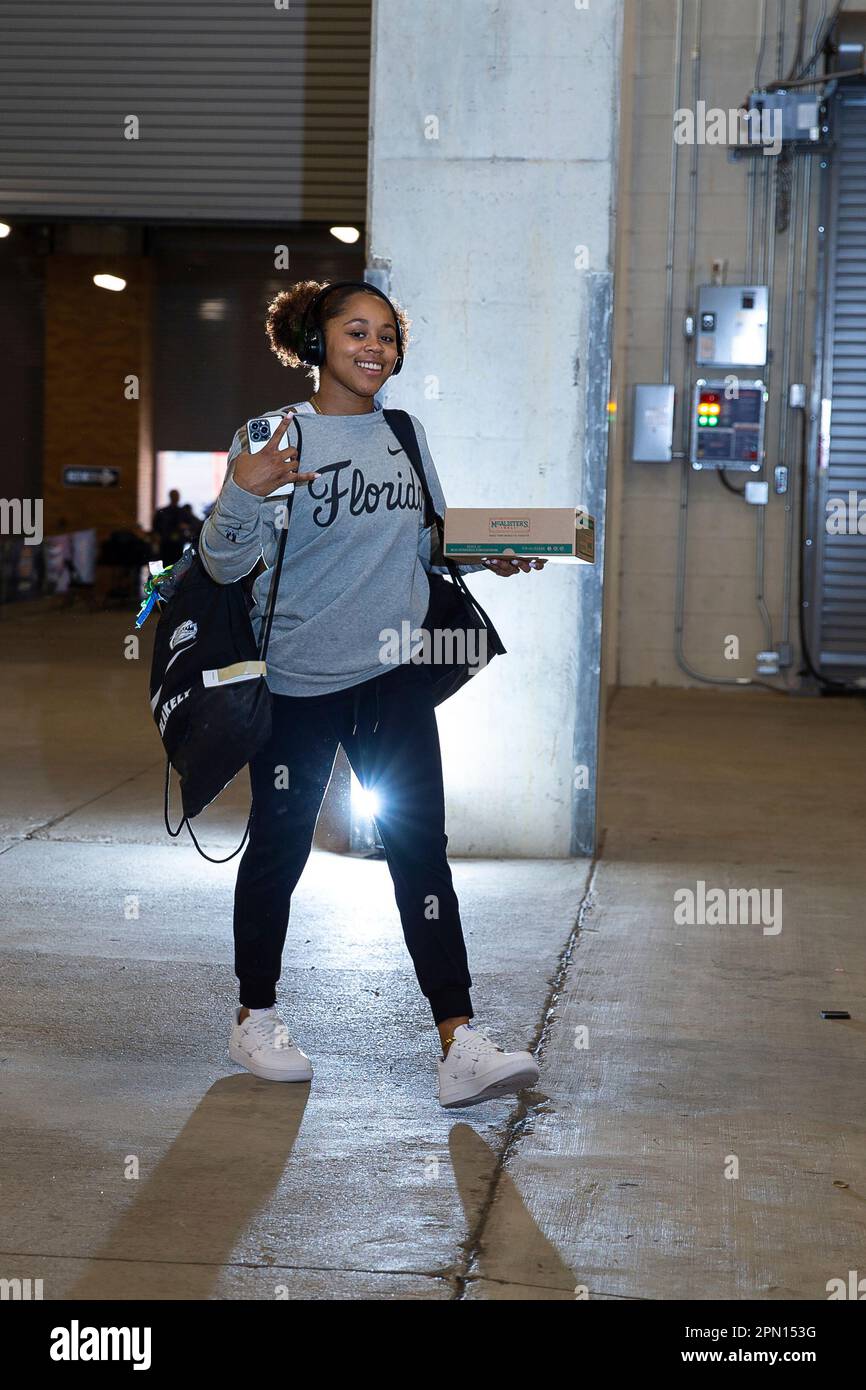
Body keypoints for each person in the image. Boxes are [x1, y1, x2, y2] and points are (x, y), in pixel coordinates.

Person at [198, 278, 548, 1108]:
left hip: (393, 677)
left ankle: (459, 1041)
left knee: (422, 851)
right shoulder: (274, 434)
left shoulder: (402, 431)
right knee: (278, 853)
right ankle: (255, 1016)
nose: (376, 347)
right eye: (357, 331)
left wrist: (486, 554)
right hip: (296, 687)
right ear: (316, 341)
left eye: (388, 335)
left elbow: (426, 543)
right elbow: (220, 565)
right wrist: (246, 489)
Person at [152, 489, 186, 565]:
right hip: (166, 542)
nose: (176, 498)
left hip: (176, 543)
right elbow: (155, 527)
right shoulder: (163, 511)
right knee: (168, 564)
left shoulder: (182, 512)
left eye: (176, 496)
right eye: (174, 496)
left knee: (175, 564)